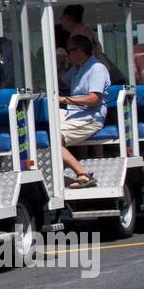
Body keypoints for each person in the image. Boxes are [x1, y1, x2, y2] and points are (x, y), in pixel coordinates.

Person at [58, 34, 109, 188]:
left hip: (90, 118)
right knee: (36, 132)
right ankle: (58, 176)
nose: (67, 55)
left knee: (52, 138)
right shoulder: (76, 69)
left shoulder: (97, 68)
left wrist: (64, 100)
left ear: (79, 50)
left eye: (69, 51)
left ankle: (82, 174)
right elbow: (59, 82)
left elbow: (94, 99)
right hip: (72, 115)